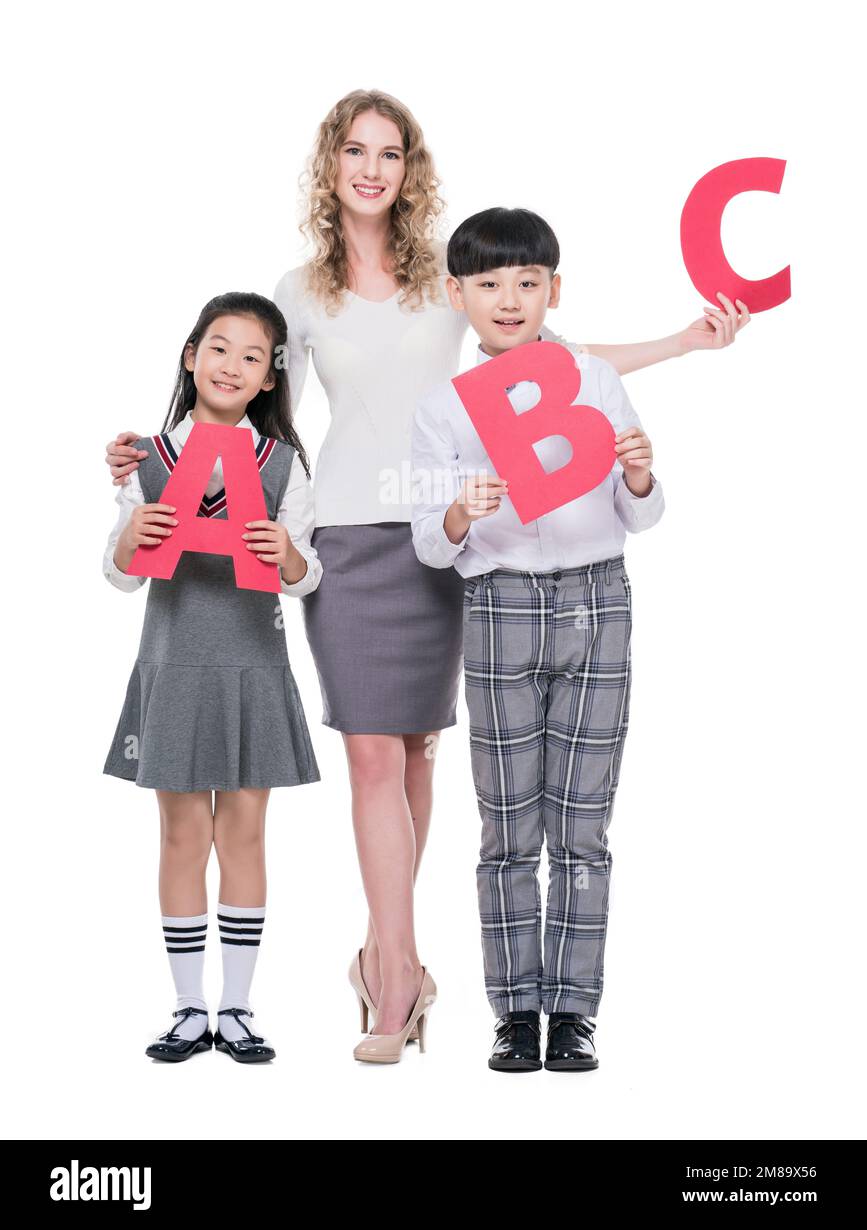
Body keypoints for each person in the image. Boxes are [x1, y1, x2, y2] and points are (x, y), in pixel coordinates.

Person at [104, 89, 748, 1063]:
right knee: (370, 755)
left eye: (390, 153)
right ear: (331, 165)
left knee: (416, 758)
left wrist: (681, 342)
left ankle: (378, 950)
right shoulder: (299, 287)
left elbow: (550, 371)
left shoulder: (446, 276)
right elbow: (258, 406)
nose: (372, 168)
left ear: (409, 170)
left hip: (443, 531)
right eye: (356, 151)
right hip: (352, 543)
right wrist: (162, 460)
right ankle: (397, 979)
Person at [411, 207, 664, 1073]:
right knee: (508, 824)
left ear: (555, 288)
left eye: (527, 282)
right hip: (499, 606)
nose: (509, 299)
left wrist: (638, 473)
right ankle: (515, 1011)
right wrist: (458, 511)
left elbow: (642, 512)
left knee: (583, 826)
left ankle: (575, 1012)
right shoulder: (445, 409)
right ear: (457, 294)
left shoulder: (591, 378)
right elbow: (427, 539)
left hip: (598, 600)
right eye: (487, 284)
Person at [103, 293, 322, 1064]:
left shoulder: (283, 465)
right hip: (174, 662)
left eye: (252, 356)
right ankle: (188, 1006)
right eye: (218, 348)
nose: (232, 365)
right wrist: (131, 535)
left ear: (269, 378)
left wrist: (286, 554)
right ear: (191, 356)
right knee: (180, 833)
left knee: (246, 832)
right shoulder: (148, 458)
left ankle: (237, 1008)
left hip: (252, 664)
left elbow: (304, 575)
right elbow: (122, 574)